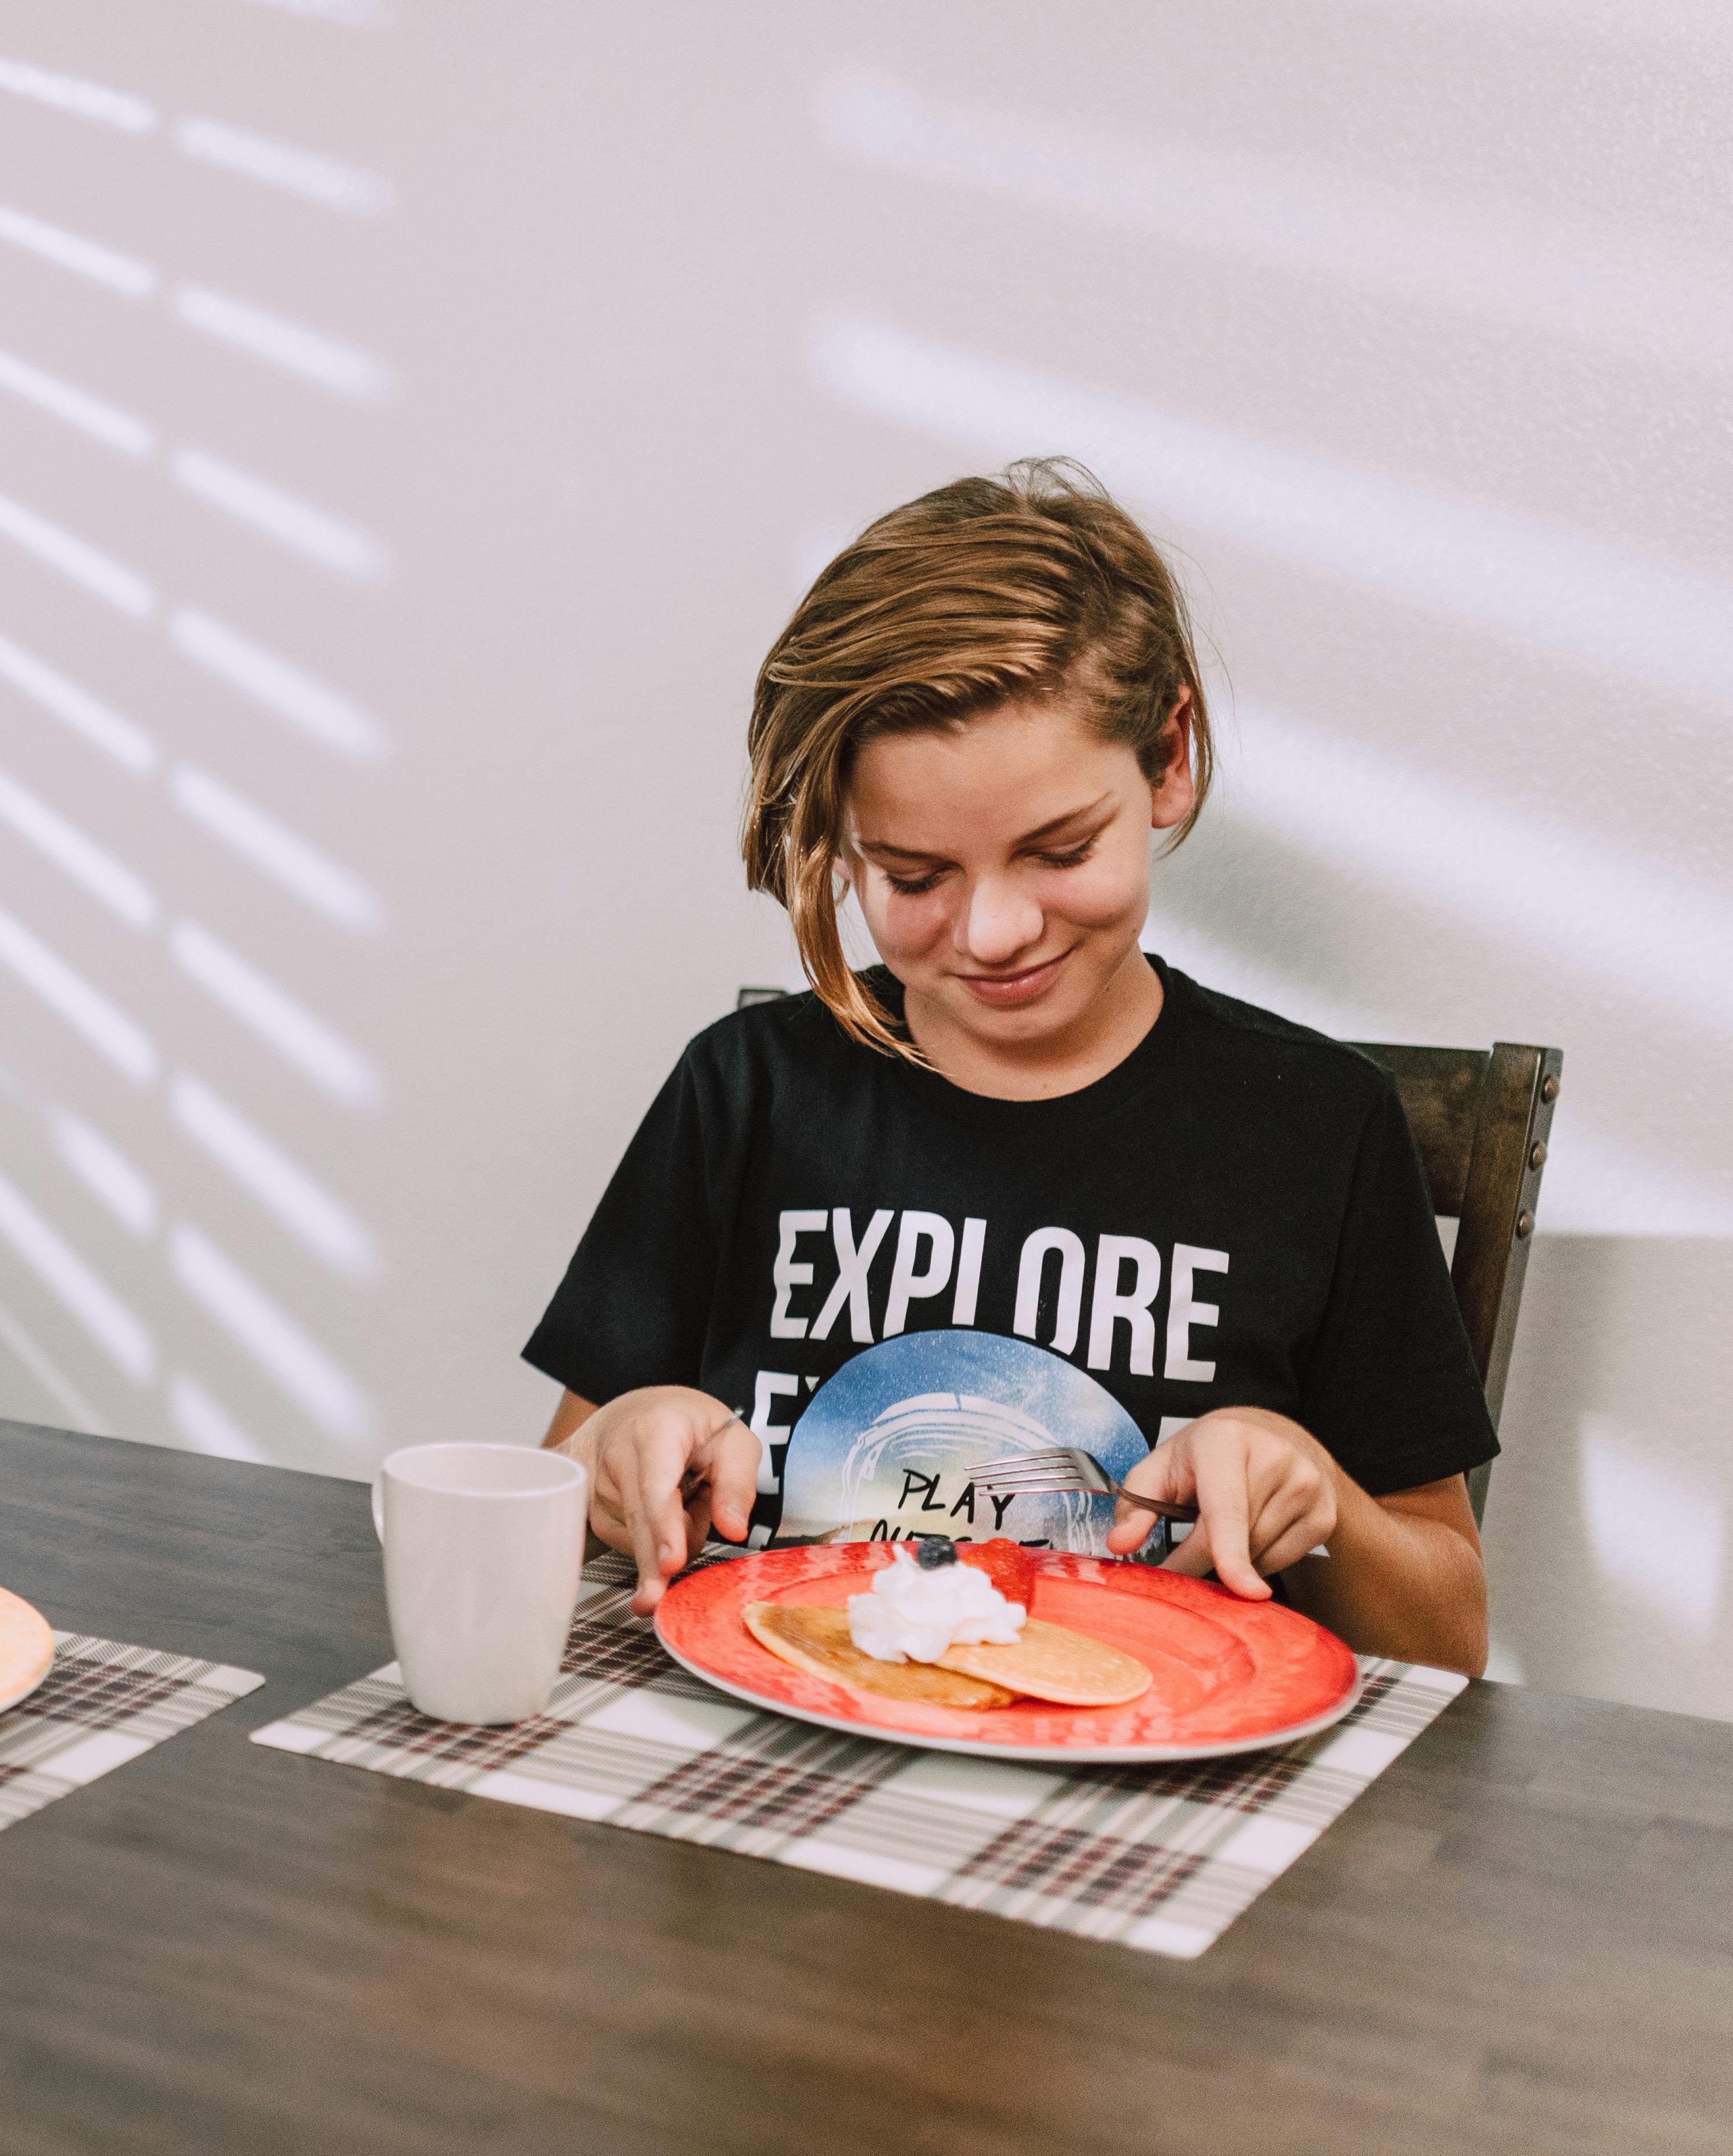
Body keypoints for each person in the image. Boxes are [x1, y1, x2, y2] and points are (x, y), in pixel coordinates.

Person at [524, 461, 1492, 1672]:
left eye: (1056, 849)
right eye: (913, 877)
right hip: (770, 1766)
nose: (990, 932)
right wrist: (615, 1445)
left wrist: (1322, 1505)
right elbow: (553, 1502)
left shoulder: (1316, 1128)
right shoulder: (747, 1091)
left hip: (1138, 1805)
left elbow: (1449, 1639)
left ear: (1168, 756)